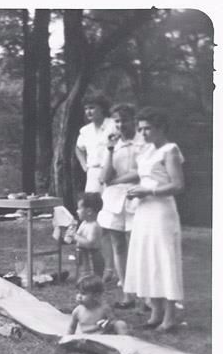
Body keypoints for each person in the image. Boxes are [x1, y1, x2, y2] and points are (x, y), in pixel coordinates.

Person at [124, 107, 185, 333]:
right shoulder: (147, 151)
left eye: (148, 128)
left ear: (161, 128)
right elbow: (144, 178)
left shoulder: (170, 150)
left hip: (162, 211)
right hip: (144, 211)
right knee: (148, 259)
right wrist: (136, 190)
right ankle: (155, 313)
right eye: (140, 129)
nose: (144, 133)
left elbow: (178, 185)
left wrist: (148, 192)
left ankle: (170, 318)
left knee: (164, 259)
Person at [99, 103, 143, 309]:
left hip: (137, 196)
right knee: (118, 244)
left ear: (133, 120)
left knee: (138, 245)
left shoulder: (143, 141)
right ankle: (127, 292)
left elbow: (142, 171)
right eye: (117, 121)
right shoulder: (111, 143)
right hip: (114, 200)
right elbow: (103, 177)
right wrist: (109, 150)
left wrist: (117, 181)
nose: (120, 124)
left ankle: (146, 294)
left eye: (124, 120)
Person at [75, 94, 116, 195]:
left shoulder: (113, 125)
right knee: (93, 205)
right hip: (92, 173)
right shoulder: (85, 130)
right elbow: (78, 148)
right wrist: (84, 165)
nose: (88, 112)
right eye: (86, 109)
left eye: (92, 108)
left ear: (102, 108)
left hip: (111, 172)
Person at [74, 192, 105, 279]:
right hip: (82, 254)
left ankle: (93, 289)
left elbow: (89, 243)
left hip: (92, 256)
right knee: (83, 274)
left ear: (89, 211)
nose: (77, 211)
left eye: (79, 208)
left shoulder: (94, 226)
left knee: (92, 276)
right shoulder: (84, 223)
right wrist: (70, 234)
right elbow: (78, 236)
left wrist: (74, 236)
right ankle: (83, 288)